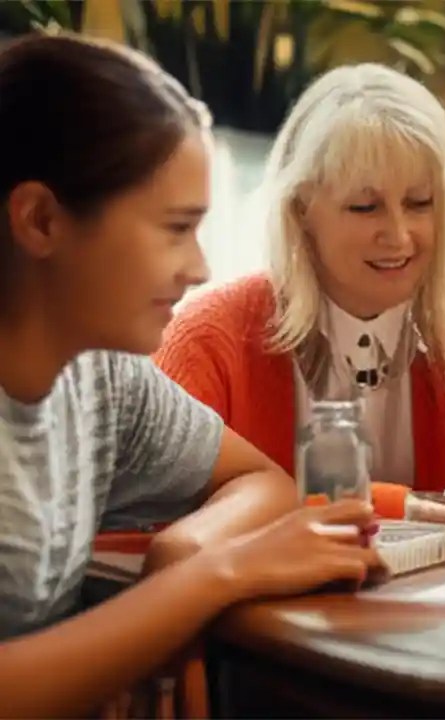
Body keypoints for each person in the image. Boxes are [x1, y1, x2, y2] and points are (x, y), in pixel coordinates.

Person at [0, 35, 384, 717]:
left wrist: (186, 549)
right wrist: (212, 578)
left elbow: (260, 480)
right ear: (42, 220)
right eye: (176, 229)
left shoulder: (104, 378)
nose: (200, 268)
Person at [154, 64, 445, 538]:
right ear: (302, 210)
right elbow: (166, 504)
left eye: (420, 203)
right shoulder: (208, 335)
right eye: (365, 207)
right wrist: (403, 507)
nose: (399, 235)